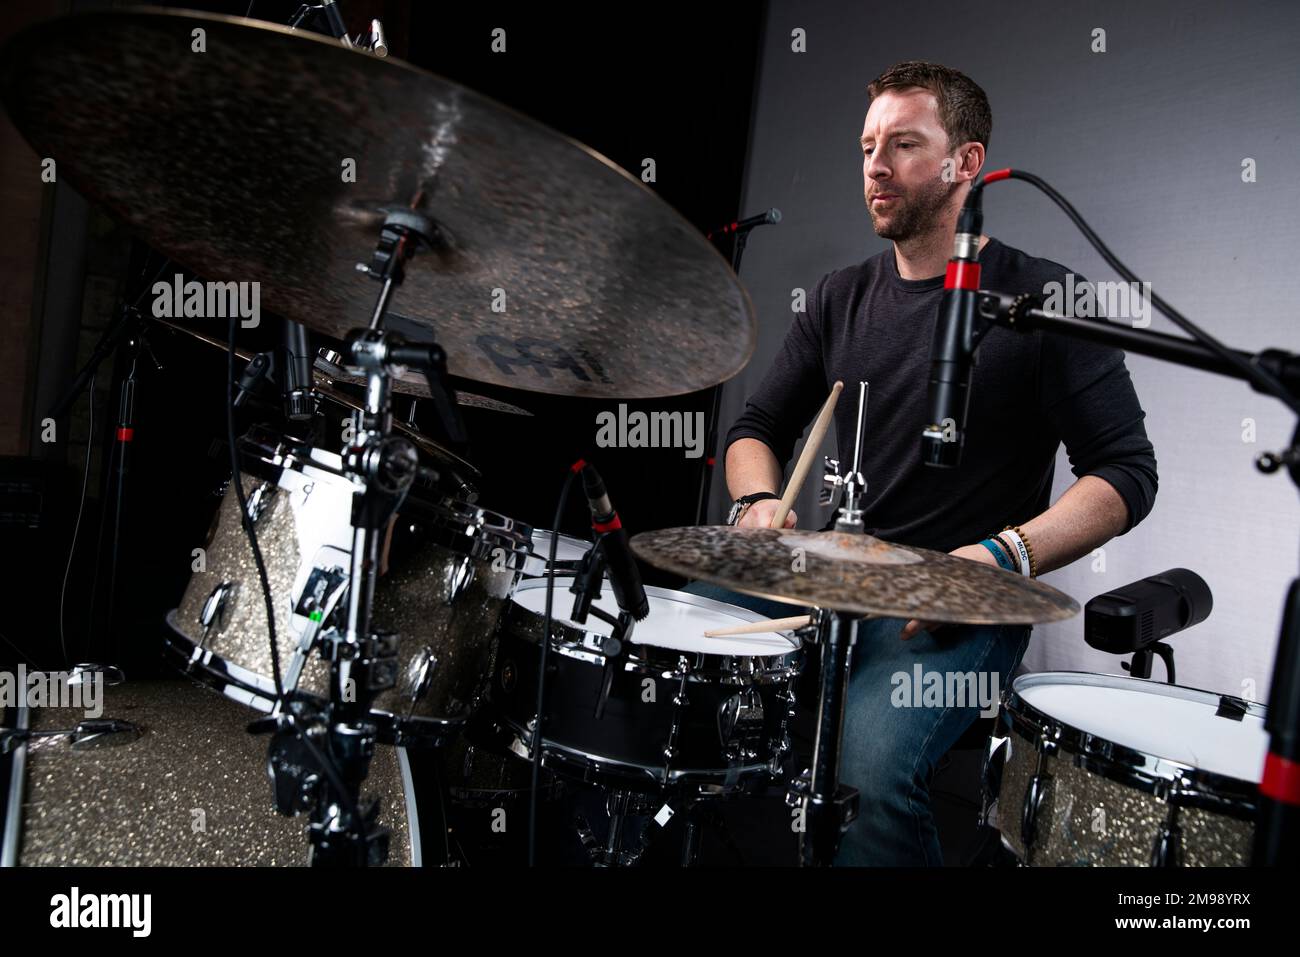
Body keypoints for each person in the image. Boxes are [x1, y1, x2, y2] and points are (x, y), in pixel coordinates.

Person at [707, 61, 1158, 865]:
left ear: (967, 164)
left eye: (904, 144)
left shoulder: (1045, 299)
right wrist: (757, 505)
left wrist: (999, 558)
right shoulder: (841, 297)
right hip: (840, 570)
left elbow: (1125, 473)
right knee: (673, 638)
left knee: (866, 771)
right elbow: (756, 426)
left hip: (963, 599)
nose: (875, 165)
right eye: (867, 146)